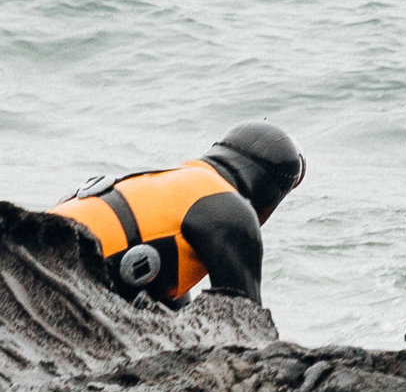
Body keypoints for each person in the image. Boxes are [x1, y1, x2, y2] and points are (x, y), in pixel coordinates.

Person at [50, 124, 305, 306]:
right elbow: (243, 320)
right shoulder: (231, 212)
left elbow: (171, 302)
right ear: (270, 192)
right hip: (63, 276)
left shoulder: (175, 182)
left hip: (28, 248)